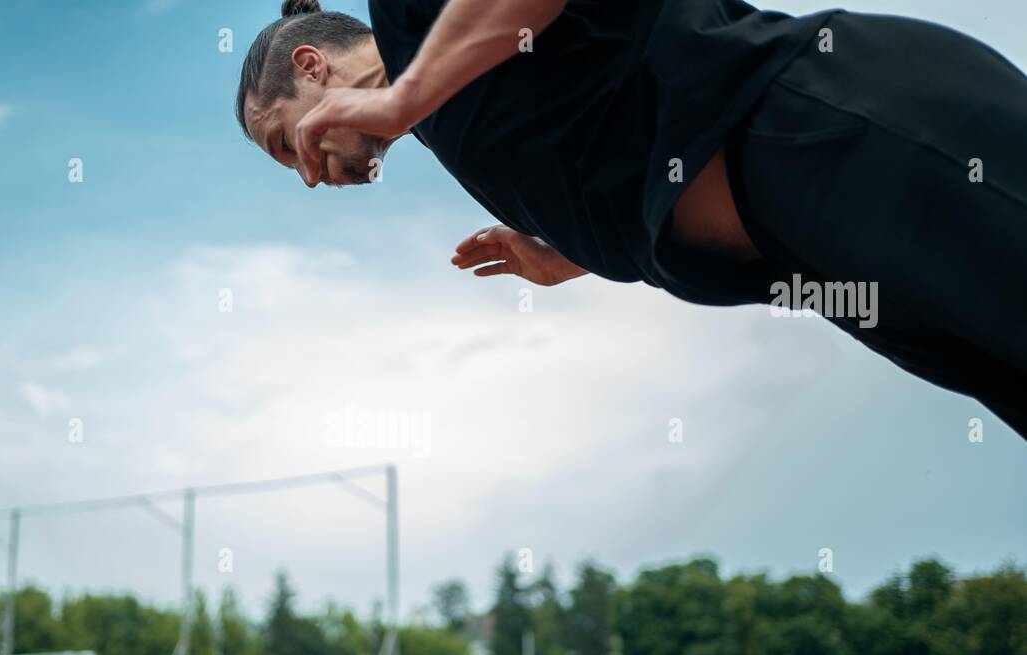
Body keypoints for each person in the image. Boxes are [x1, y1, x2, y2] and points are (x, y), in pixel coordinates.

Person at [235, 0, 1027, 438]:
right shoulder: (447, 104)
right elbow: (633, 133)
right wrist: (568, 250)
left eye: (286, 140)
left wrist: (403, 96)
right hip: (818, 252)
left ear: (313, 66)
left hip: (855, 125)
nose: (307, 172)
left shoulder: (413, 23)